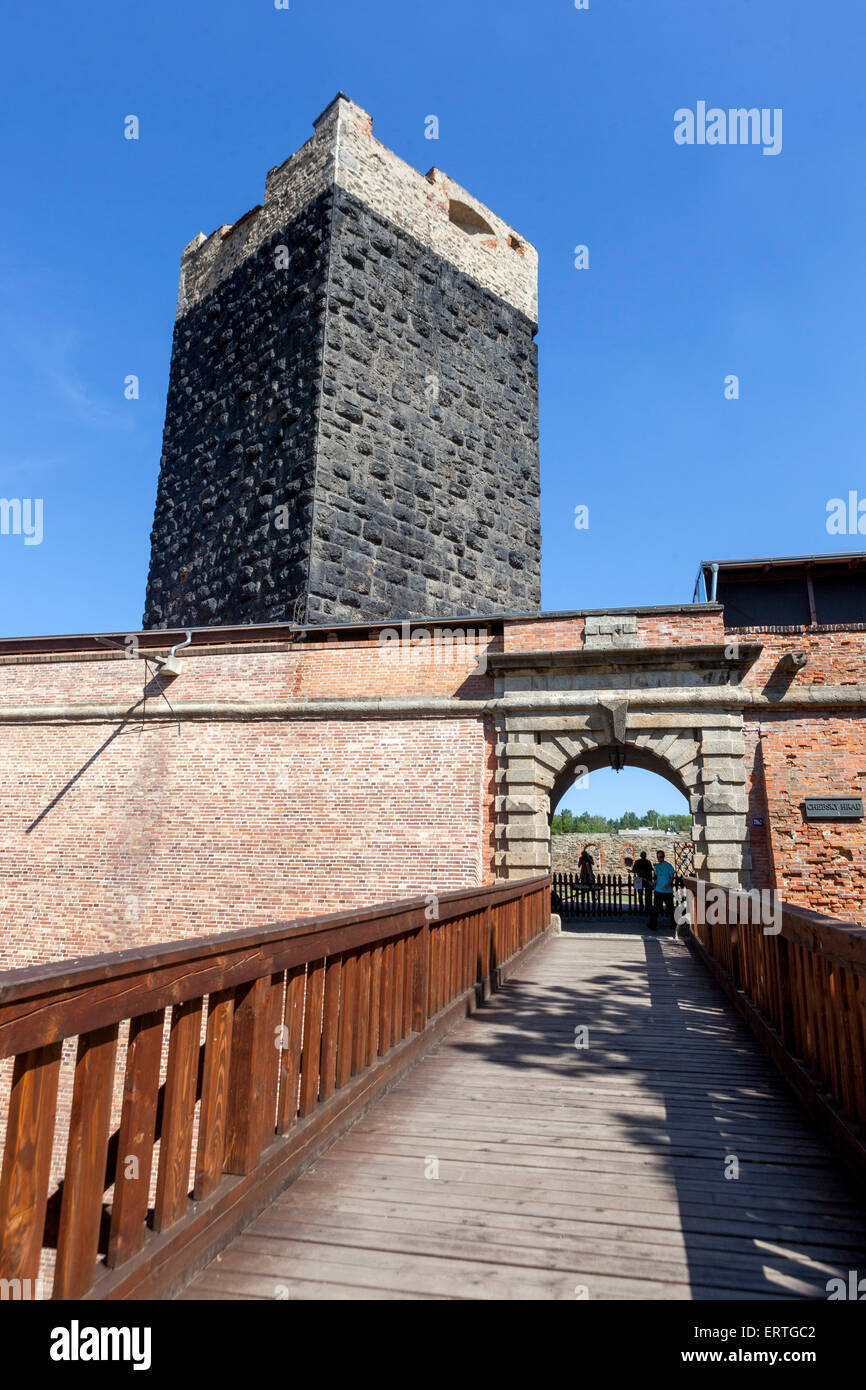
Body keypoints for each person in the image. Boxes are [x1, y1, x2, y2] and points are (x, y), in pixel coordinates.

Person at [648, 850, 675, 930]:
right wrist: (654, 883)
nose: (659, 858)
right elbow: (659, 877)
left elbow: (672, 878)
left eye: (661, 857)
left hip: (667, 891)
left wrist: (666, 886)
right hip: (658, 890)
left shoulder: (668, 866)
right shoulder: (657, 867)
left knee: (670, 909)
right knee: (655, 908)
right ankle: (653, 925)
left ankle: (674, 924)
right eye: (658, 857)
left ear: (664, 856)